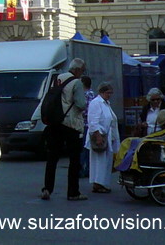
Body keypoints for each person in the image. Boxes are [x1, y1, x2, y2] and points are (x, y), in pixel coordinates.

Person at [41, 58, 88, 201]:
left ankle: (47, 188)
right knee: (74, 159)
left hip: (55, 122)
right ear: (78, 70)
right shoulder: (77, 83)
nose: (82, 73)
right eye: (82, 71)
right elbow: (81, 104)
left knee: (52, 158)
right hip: (71, 124)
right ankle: (73, 192)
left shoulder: (59, 78)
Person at [85, 83, 120, 193]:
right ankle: (98, 184)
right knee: (99, 161)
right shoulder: (96, 103)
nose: (109, 95)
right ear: (102, 92)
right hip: (99, 136)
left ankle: (102, 183)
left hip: (107, 136)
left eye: (110, 93)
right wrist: (98, 135)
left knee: (106, 161)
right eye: (107, 93)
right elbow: (93, 121)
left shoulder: (106, 103)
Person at [79, 75, 94, 179]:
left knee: (84, 149)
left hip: (85, 125)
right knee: (86, 148)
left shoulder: (87, 94)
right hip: (87, 125)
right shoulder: (91, 94)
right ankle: (86, 169)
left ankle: (83, 170)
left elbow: (86, 111)